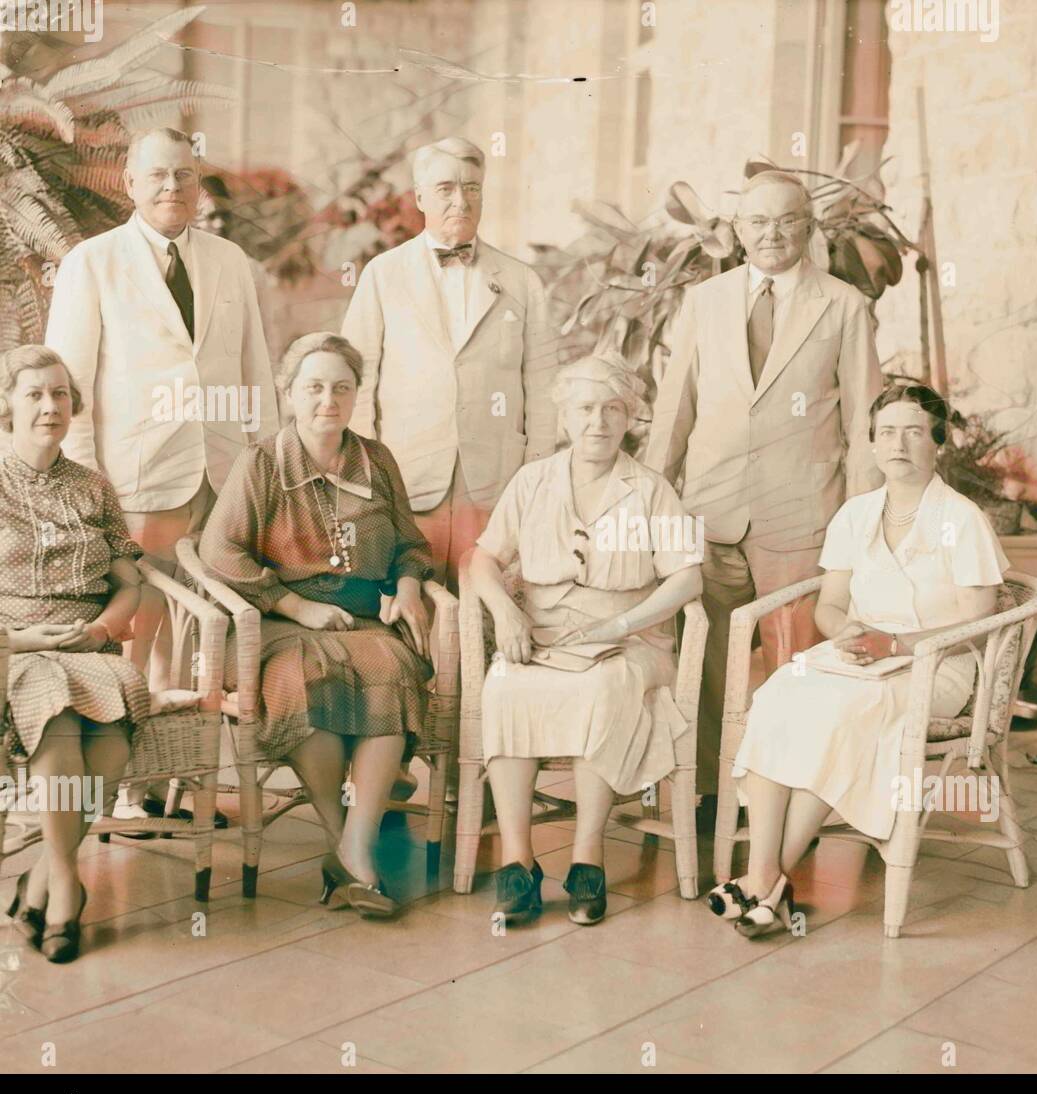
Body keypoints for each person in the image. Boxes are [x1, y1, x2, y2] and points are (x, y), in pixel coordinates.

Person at [44, 126, 278, 830]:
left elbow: (254, 368)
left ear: (198, 182)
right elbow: (70, 383)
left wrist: (258, 463)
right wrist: (89, 487)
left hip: (219, 473)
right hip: (133, 479)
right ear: (129, 182)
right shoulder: (93, 263)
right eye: (157, 175)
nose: (171, 187)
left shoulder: (230, 261)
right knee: (137, 629)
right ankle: (126, 784)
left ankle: (186, 778)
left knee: (199, 630)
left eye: (183, 174)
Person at [714, 382, 1010, 937]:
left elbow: (978, 621)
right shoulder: (856, 513)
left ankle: (762, 882)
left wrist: (896, 645)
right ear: (872, 444)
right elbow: (829, 605)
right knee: (780, 695)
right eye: (888, 432)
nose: (900, 444)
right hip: (861, 654)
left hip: (936, 664)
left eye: (915, 432)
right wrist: (846, 632)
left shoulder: (960, 518)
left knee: (838, 718)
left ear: (937, 444)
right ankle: (766, 880)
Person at [645, 168, 884, 831]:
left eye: (785, 221)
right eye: (757, 221)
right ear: (737, 229)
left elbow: (866, 425)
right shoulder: (706, 300)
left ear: (809, 228)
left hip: (803, 518)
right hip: (709, 511)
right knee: (708, 668)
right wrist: (650, 504)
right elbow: (674, 411)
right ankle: (710, 797)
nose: (770, 234)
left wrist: (859, 528)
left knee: (797, 670)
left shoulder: (843, 306)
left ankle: (785, 808)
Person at [197, 333, 436, 917]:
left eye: (341, 387)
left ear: (357, 395)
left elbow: (410, 544)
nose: (328, 399)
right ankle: (347, 843)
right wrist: (294, 606)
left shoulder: (376, 461)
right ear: (289, 395)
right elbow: (217, 553)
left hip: (361, 621)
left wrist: (407, 587)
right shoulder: (262, 464)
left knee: (394, 666)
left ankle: (352, 850)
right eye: (314, 387)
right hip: (280, 623)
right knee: (304, 678)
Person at [468, 354, 703, 926]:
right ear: (565, 417)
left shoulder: (649, 489)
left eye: (612, 409)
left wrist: (620, 627)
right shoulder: (533, 480)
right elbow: (482, 558)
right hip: (543, 635)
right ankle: (520, 862)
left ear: (629, 419)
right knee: (503, 689)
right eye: (585, 409)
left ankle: (586, 855)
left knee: (603, 688)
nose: (598, 421)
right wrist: (504, 611)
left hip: (628, 641)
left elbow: (687, 577)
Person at [342, 135, 559, 594]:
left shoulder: (522, 280)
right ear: (419, 196)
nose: (461, 200)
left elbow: (543, 387)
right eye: (445, 188)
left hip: (495, 483)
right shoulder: (383, 273)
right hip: (405, 478)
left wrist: (536, 477)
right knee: (407, 607)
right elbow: (356, 380)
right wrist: (367, 473)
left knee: (483, 610)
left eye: (472, 188)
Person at [0, 346, 150, 964]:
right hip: (14, 647)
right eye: (34, 393)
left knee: (115, 721)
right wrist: (16, 640)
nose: (49, 406)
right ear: (7, 402)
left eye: (59, 394)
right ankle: (65, 885)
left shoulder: (92, 487)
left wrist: (105, 631)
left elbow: (130, 582)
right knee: (57, 709)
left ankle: (40, 876)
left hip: (86, 642)